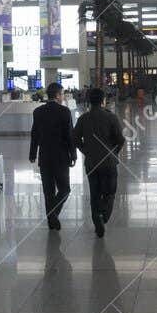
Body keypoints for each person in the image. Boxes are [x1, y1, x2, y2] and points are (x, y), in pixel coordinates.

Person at [75, 87, 125, 237]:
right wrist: (114, 152)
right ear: (103, 100)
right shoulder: (111, 117)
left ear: (89, 101)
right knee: (110, 192)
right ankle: (104, 215)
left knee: (94, 193)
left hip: (91, 163)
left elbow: (75, 138)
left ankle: (97, 219)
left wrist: (86, 151)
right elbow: (120, 139)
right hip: (109, 162)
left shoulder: (83, 119)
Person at [28, 81, 75, 230]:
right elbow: (69, 135)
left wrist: (32, 153)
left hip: (45, 156)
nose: (63, 97)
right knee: (64, 189)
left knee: (48, 191)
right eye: (62, 94)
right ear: (57, 95)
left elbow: (35, 134)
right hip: (61, 156)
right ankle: (53, 214)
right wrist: (73, 154)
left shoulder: (38, 112)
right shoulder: (64, 111)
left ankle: (51, 219)